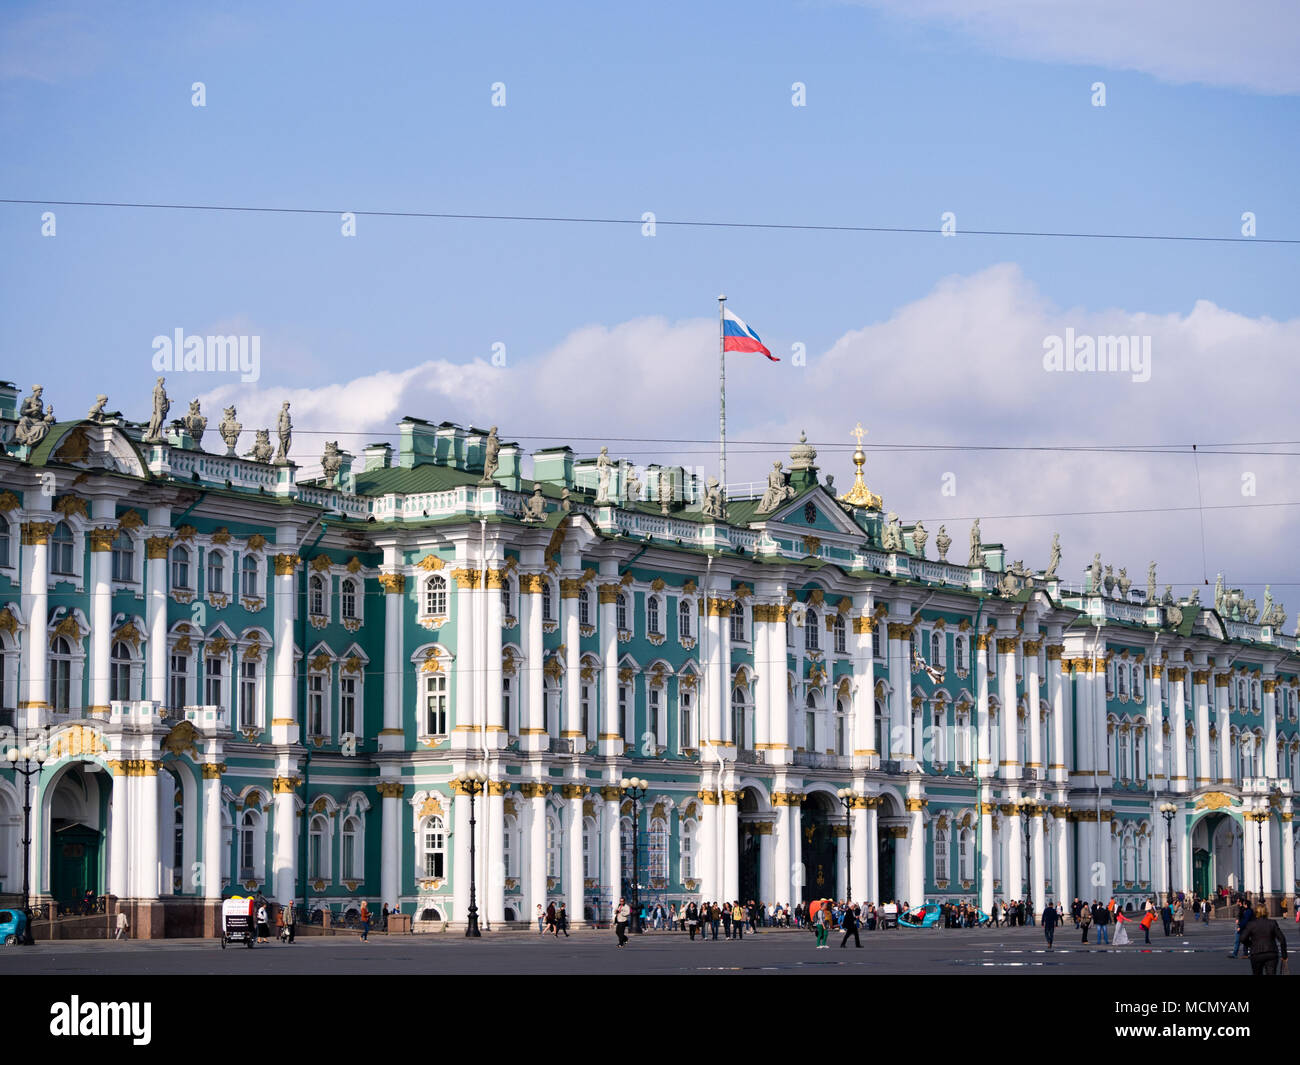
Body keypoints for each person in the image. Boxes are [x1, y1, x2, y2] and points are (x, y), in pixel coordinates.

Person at [1240, 904, 1288, 976]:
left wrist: (1250, 945)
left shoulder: (1251, 924)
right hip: (1271, 952)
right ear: (1266, 912)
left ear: (1256, 912)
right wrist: (1284, 955)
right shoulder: (1272, 923)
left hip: (1256, 953)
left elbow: (1242, 938)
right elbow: (1282, 939)